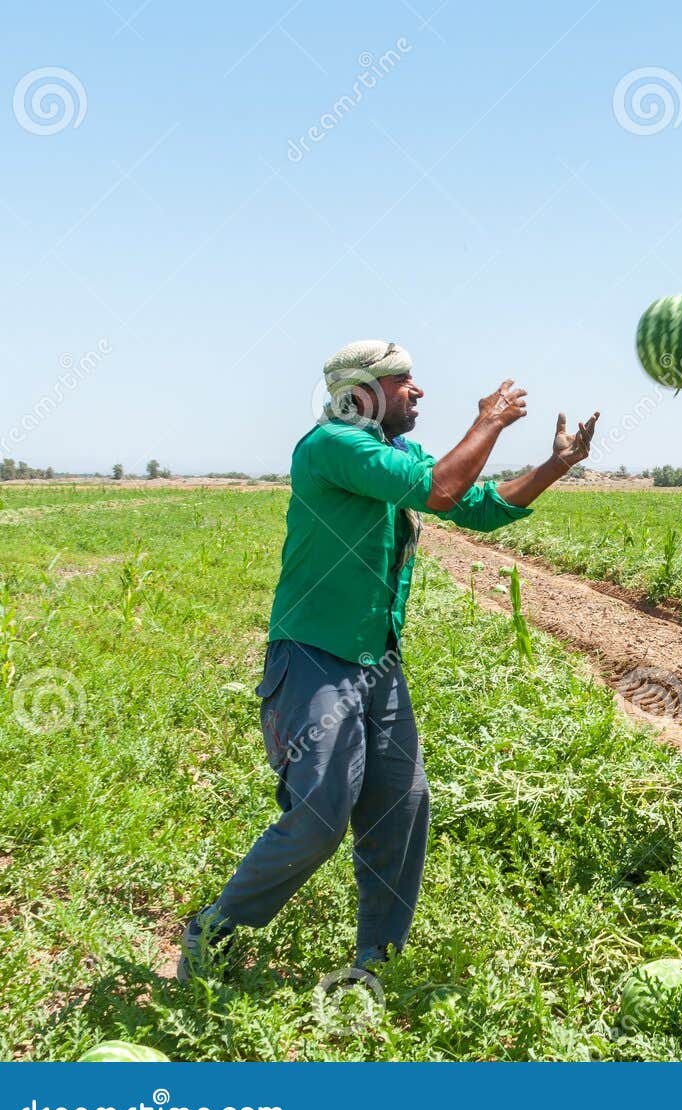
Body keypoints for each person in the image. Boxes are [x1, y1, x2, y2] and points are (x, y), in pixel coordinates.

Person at [178, 340, 599, 979]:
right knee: (320, 813)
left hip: (377, 661)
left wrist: (554, 466)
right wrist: (488, 421)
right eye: (404, 381)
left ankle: (376, 959)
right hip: (316, 656)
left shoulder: (394, 453)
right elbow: (438, 491)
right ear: (363, 392)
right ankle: (213, 934)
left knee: (401, 804)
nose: (419, 391)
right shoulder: (333, 447)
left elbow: (474, 505)